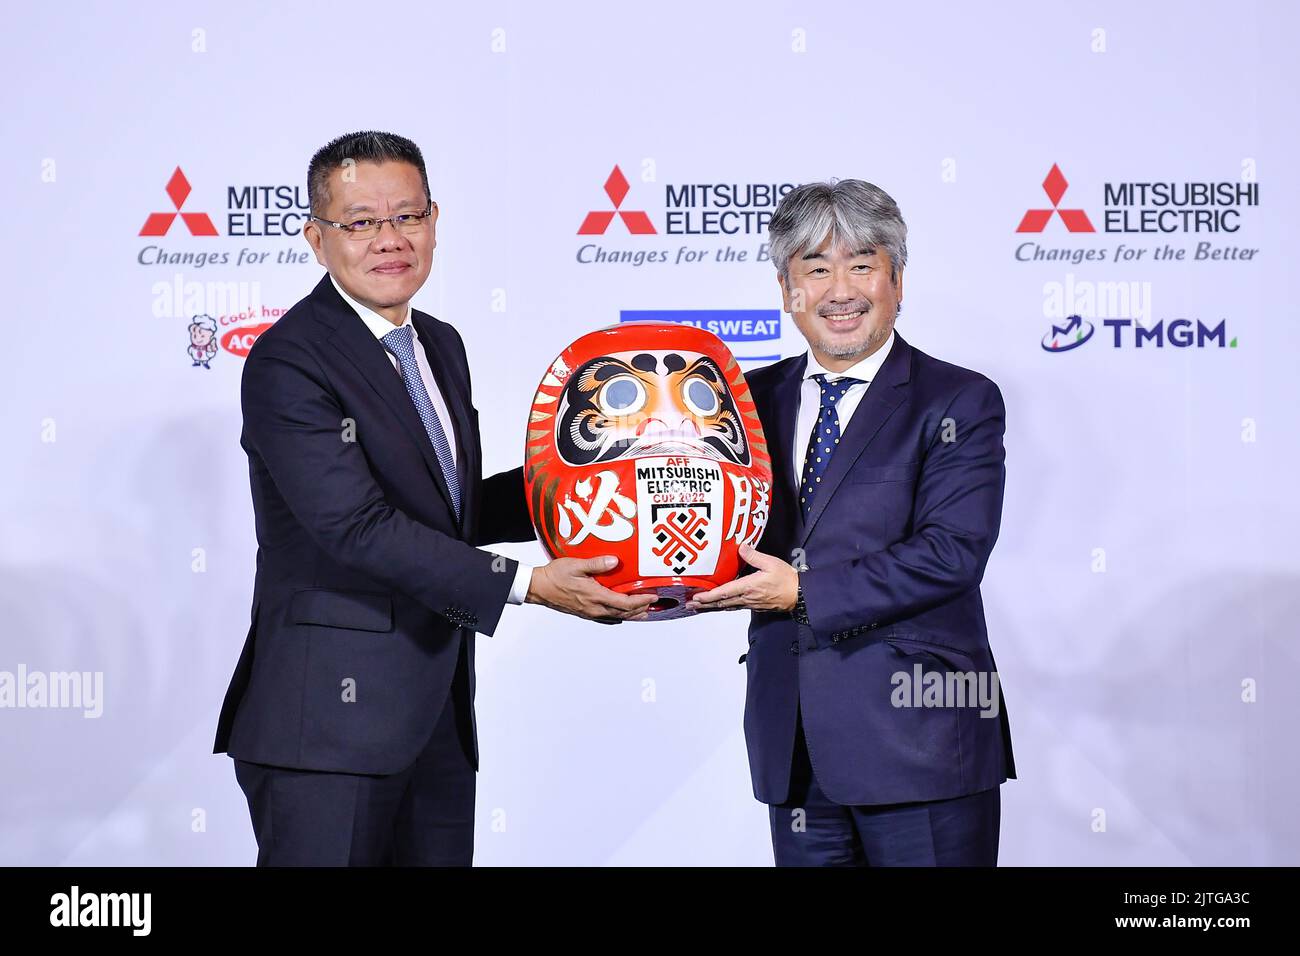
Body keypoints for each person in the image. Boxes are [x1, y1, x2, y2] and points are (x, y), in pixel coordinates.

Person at [213, 130, 653, 866]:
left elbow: (446, 511)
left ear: (435, 222)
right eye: (361, 222)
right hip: (327, 733)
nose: (390, 240)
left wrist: (596, 478)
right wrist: (529, 585)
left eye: (408, 216)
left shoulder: (439, 344)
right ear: (316, 239)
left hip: (438, 721)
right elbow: (355, 526)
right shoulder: (289, 359)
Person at [691, 179, 1015, 866]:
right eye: (816, 267)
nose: (841, 290)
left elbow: (952, 553)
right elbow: (654, 484)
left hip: (921, 747)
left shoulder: (958, 399)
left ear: (897, 280)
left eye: (862, 264)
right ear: (788, 291)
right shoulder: (745, 401)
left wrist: (801, 594)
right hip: (796, 752)